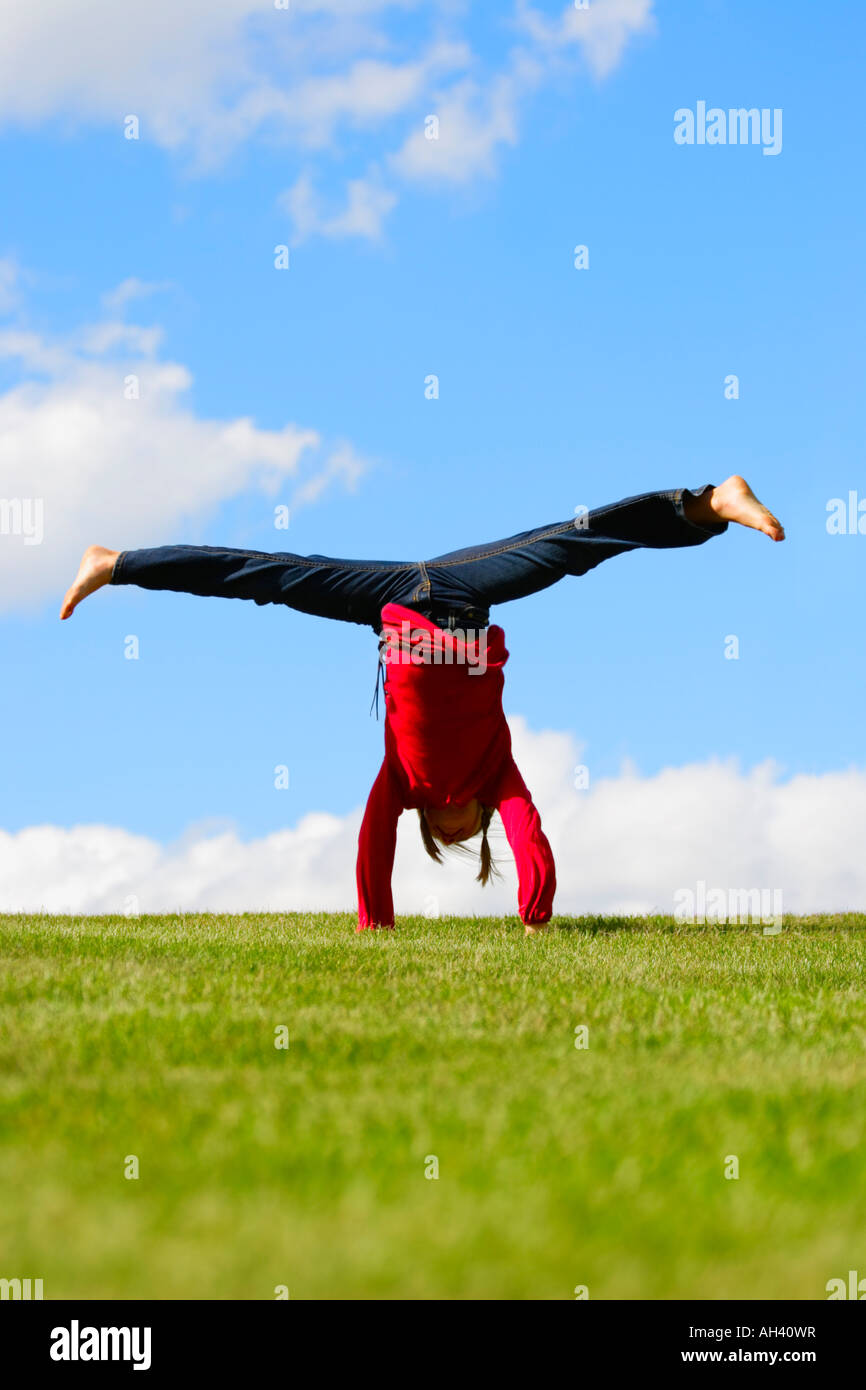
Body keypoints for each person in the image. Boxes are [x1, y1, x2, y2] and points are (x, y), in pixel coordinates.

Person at [60, 476, 785, 934]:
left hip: (396, 608)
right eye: (475, 834)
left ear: (436, 830)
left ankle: (707, 502)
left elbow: (371, 848)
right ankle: (115, 561)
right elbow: (529, 837)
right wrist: (536, 919)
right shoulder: (498, 776)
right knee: (573, 545)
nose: (465, 827)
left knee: (272, 579)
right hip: (463, 598)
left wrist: (375, 925)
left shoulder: (401, 788)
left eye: (453, 837)